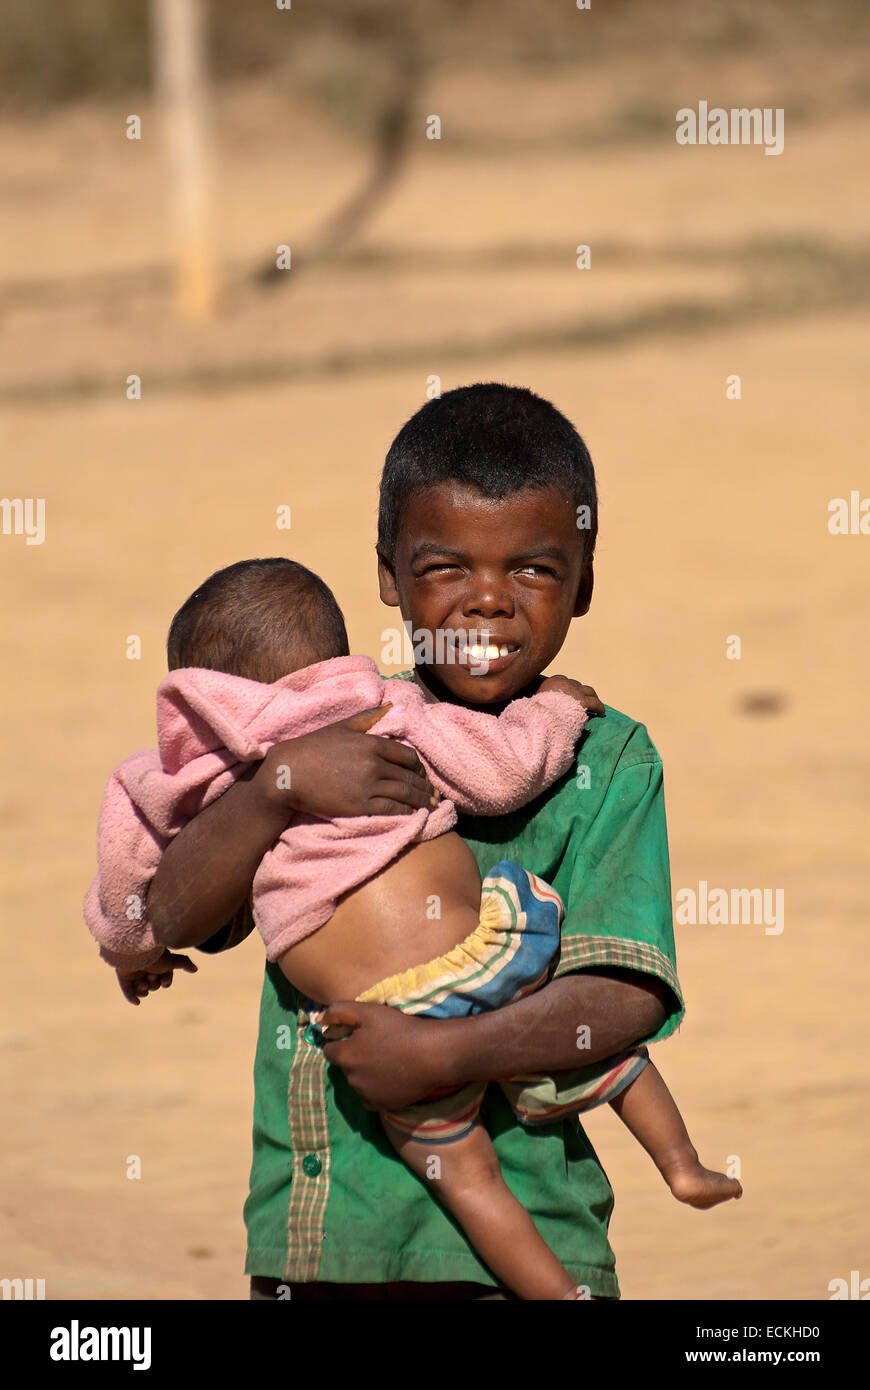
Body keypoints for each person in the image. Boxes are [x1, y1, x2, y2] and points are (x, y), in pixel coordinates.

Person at [144, 383, 737, 1300]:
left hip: (527, 1239)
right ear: (388, 576)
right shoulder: (308, 733)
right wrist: (276, 792)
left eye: (535, 570)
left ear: (584, 581)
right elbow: (176, 915)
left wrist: (444, 1056)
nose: (489, 602)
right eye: (445, 568)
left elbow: (620, 998)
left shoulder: (608, 758)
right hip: (326, 1230)